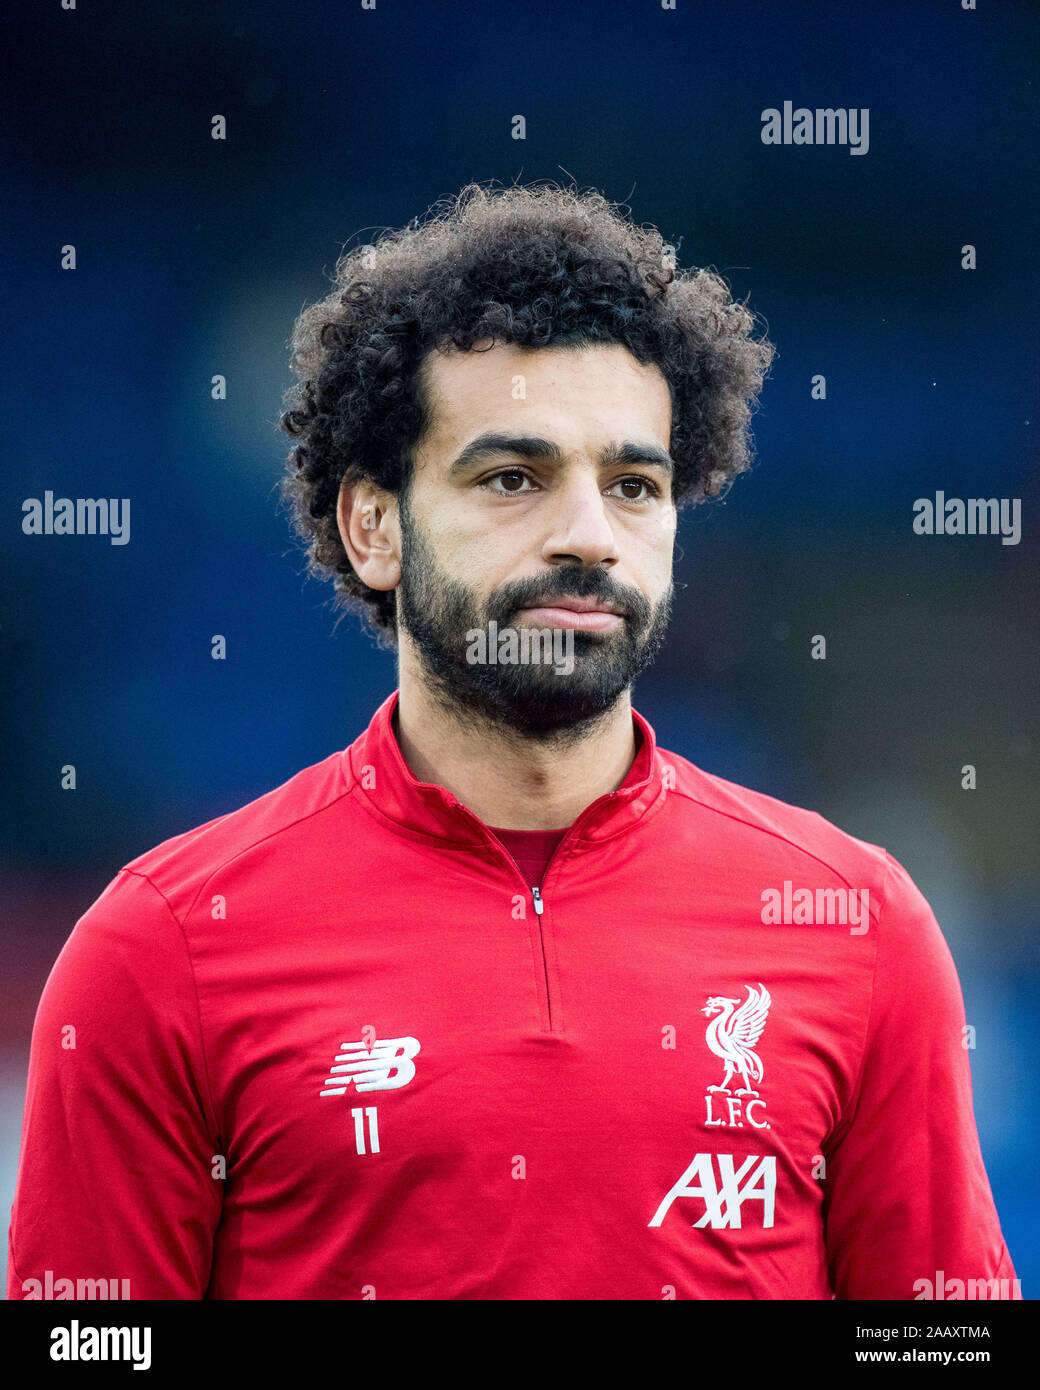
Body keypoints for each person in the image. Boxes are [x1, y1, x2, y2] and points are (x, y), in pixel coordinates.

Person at [7, 183, 1019, 1300]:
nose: (588, 533)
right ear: (374, 524)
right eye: (511, 478)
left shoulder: (856, 924)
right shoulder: (161, 951)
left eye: (634, 484)